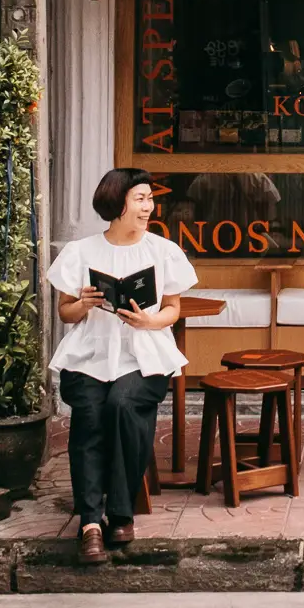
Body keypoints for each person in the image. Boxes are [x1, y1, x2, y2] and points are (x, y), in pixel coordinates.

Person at [47, 168, 197, 564]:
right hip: (91, 353)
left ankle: (121, 511)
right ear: (117, 203)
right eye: (140, 198)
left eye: (150, 198)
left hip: (144, 352)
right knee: (92, 413)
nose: (149, 206)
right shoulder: (80, 252)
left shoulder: (162, 251)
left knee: (123, 405)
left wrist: (149, 321)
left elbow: (173, 310)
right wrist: (86, 302)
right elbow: (65, 313)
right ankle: (91, 523)